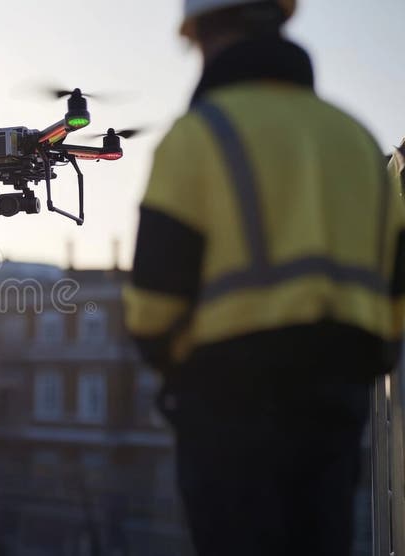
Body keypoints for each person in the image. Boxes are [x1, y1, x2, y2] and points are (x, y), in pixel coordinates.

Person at [123, 1, 405, 555]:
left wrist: (183, 368)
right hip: (336, 410)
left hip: (228, 410)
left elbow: (151, 307)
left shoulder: (196, 137)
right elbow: (395, 300)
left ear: (200, 34)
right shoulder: (356, 140)